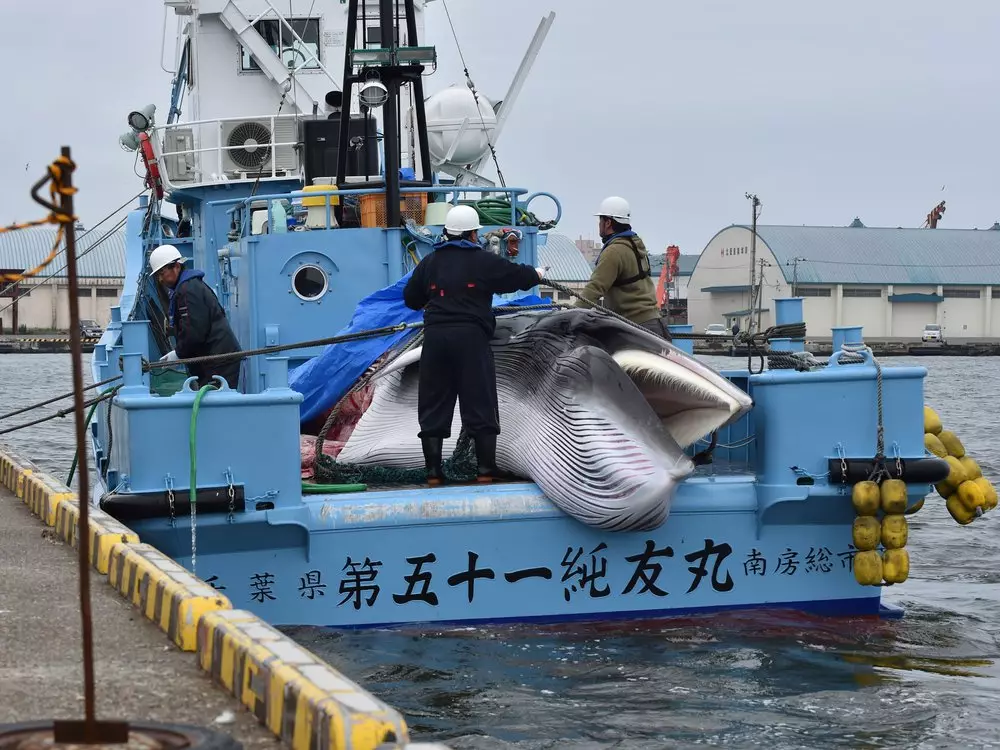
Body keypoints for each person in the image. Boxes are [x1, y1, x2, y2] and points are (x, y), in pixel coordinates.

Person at [403, 204, 545, 485]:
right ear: (472, 234)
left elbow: (411, 298)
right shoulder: (483, 261)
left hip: (436, 340)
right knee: (480, 401)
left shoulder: (430, 262)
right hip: (471, 339)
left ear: (447, 233)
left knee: (433, 402)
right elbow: (517, 277)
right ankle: (485, 470)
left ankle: (432, 472)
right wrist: (538, 274)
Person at [573, 196, 671, 339]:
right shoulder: (634, 245)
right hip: (654, 324)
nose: (599, 224)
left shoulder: (614, 251)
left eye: (600, 220)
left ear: (608, 222)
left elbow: (594, 288)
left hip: (636, 327)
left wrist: (569, 316)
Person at [148, 244, 243, 389]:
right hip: (214, 359)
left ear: (176, 267)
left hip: (218, 361)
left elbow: (194, 330)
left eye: (162, 273)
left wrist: (178, 354)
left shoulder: (187, 290)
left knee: (216, 407)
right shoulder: (188, 287)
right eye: (158, 276)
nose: (160, 279)